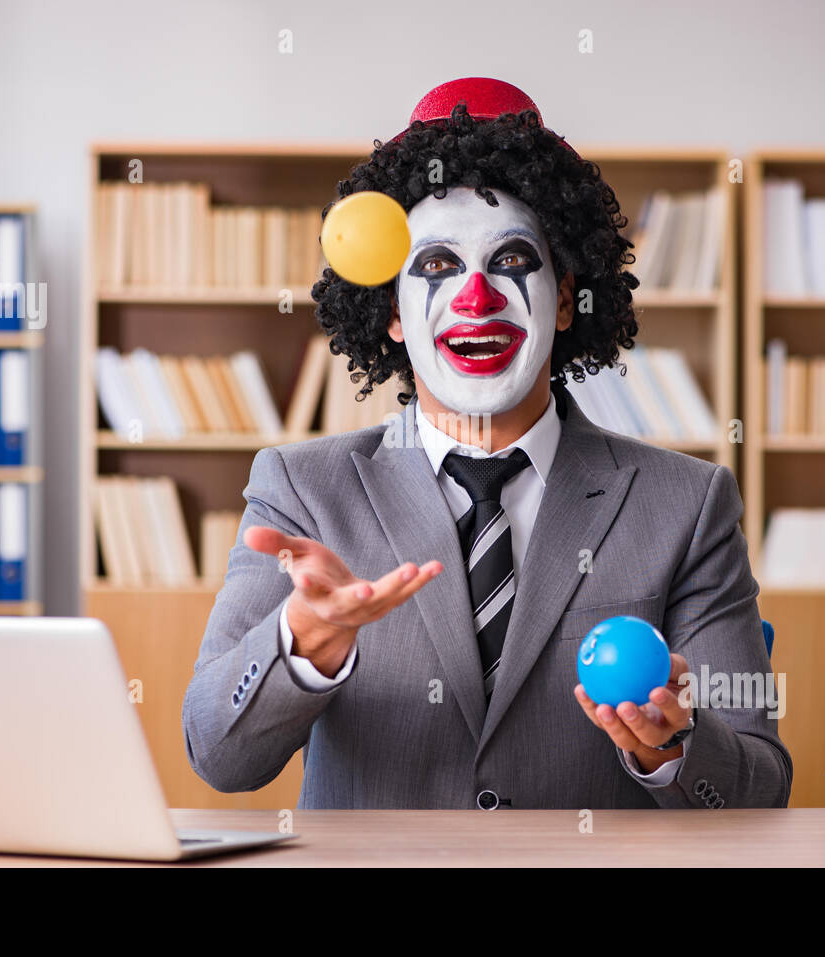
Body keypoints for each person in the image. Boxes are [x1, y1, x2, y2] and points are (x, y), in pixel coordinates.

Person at [183, 77, 791, 809]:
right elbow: (216, 755)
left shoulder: (686, 504)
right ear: (394, 313)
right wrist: (302, 640)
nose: (477, 297)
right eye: (438, 266)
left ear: (565, 298)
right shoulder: (303, 489)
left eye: (510, 261)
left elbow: (760, 791)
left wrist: (672, 748)